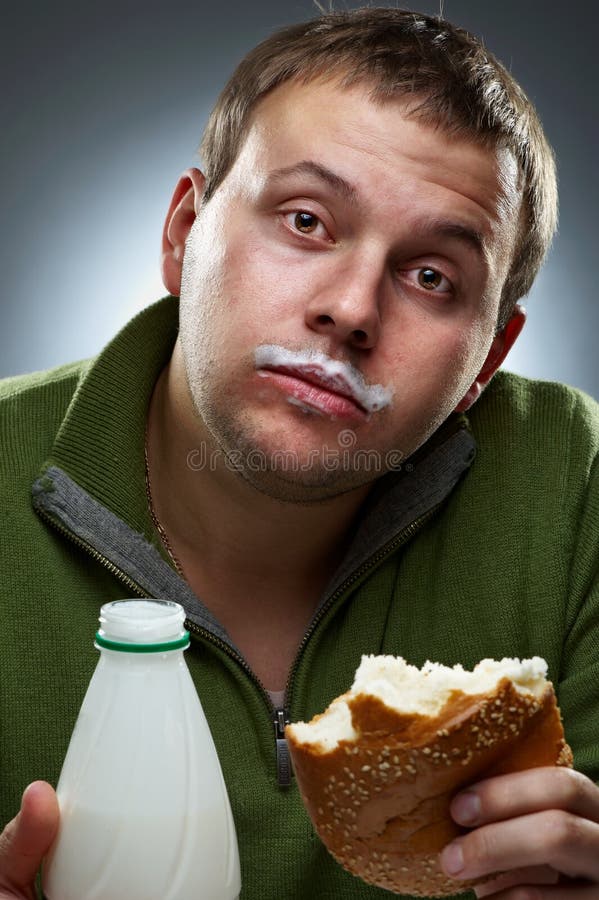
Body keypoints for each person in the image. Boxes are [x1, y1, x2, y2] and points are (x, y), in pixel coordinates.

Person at [1, 5, 598, 899]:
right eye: (306, 220)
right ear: (183, 234)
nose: (352, 309)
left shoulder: (576, 486)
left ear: (488, 361)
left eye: (431, 276)